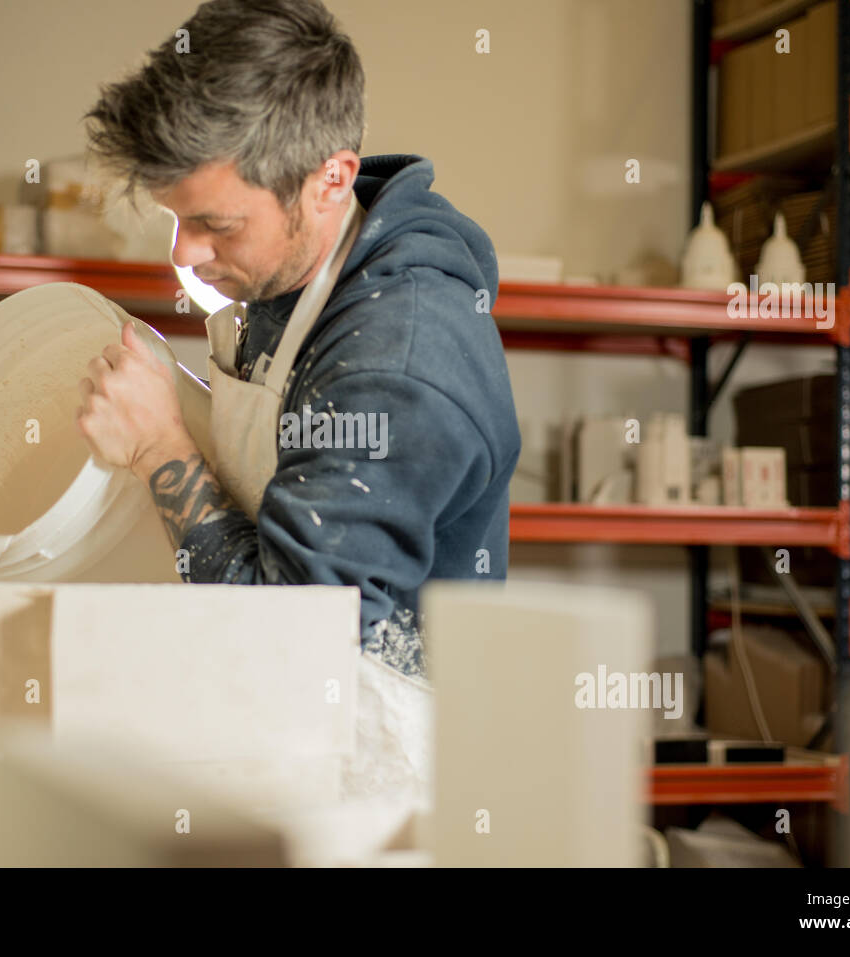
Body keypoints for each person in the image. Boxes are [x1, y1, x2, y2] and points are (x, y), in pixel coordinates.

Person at [77, 0, 519, 714]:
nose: (183, 253)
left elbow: (290, 648)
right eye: (177, 218)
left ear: (330, 180)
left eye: (214, 224)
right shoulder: (301, 275)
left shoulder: (396, 361)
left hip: (378, 769)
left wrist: (161, 445)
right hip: (280, 733)